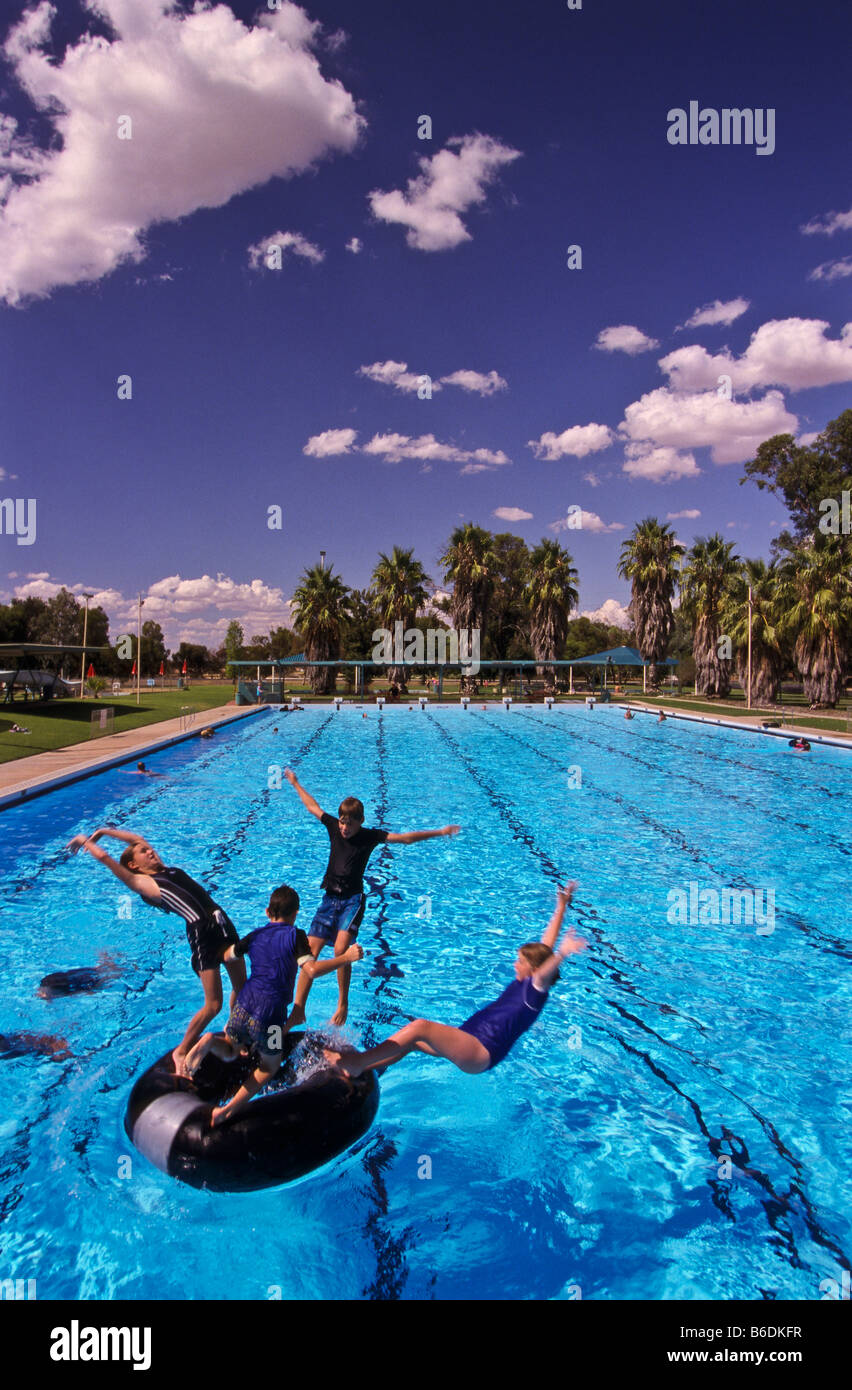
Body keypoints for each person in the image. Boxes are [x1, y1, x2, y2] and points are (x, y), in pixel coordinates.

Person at [325, 883, 585, 1079]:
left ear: (534, 970)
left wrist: (563, 952)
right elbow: (545, 945)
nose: (515, 964)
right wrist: (561, 908)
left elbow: (546, 965)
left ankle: (356, 1064)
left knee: (420, 1027)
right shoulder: (526, 981)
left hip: (480, 1050)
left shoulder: (534, 993)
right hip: (470, 1037)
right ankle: (363, 1066)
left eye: (520, 962)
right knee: (412, 1042)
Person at [283, 769, 461, 1027]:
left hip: (352, 902)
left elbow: (405, 839)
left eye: (349, 824)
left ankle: (342, 1002)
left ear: (361, 821)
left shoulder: (370, 836)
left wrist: (440, 832)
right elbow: (313, 807)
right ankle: (298, 1010)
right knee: (309, 954)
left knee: (341, 950)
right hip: (328, 899)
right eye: (342, 822)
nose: (344, 828)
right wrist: (295, 782)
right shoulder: (334, 827)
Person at [66, 827, 245, 1075]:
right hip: (202, 934)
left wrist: (105, 831)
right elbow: (107, 860)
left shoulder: (166, 870)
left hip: (222, 921)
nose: (149, 849)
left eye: (149, 848)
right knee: (213, 1004)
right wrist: (86, 841)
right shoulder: (144, 883)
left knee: (242, 987)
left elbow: (136, 838)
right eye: (143, 851)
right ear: (133, 865)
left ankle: (233, 1031)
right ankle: (181, 1050)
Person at [185, 884, 363, 1126]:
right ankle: (226, 1111)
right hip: (270, 1016)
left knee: (232, 1050)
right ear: (296, 913)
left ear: (268, 911)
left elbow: (227, 956)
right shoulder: (296, 935)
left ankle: (208, 1042)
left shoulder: (255, 935)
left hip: (243, 1006)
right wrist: (345, 957)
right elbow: (310, 970)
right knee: (270, 1066)